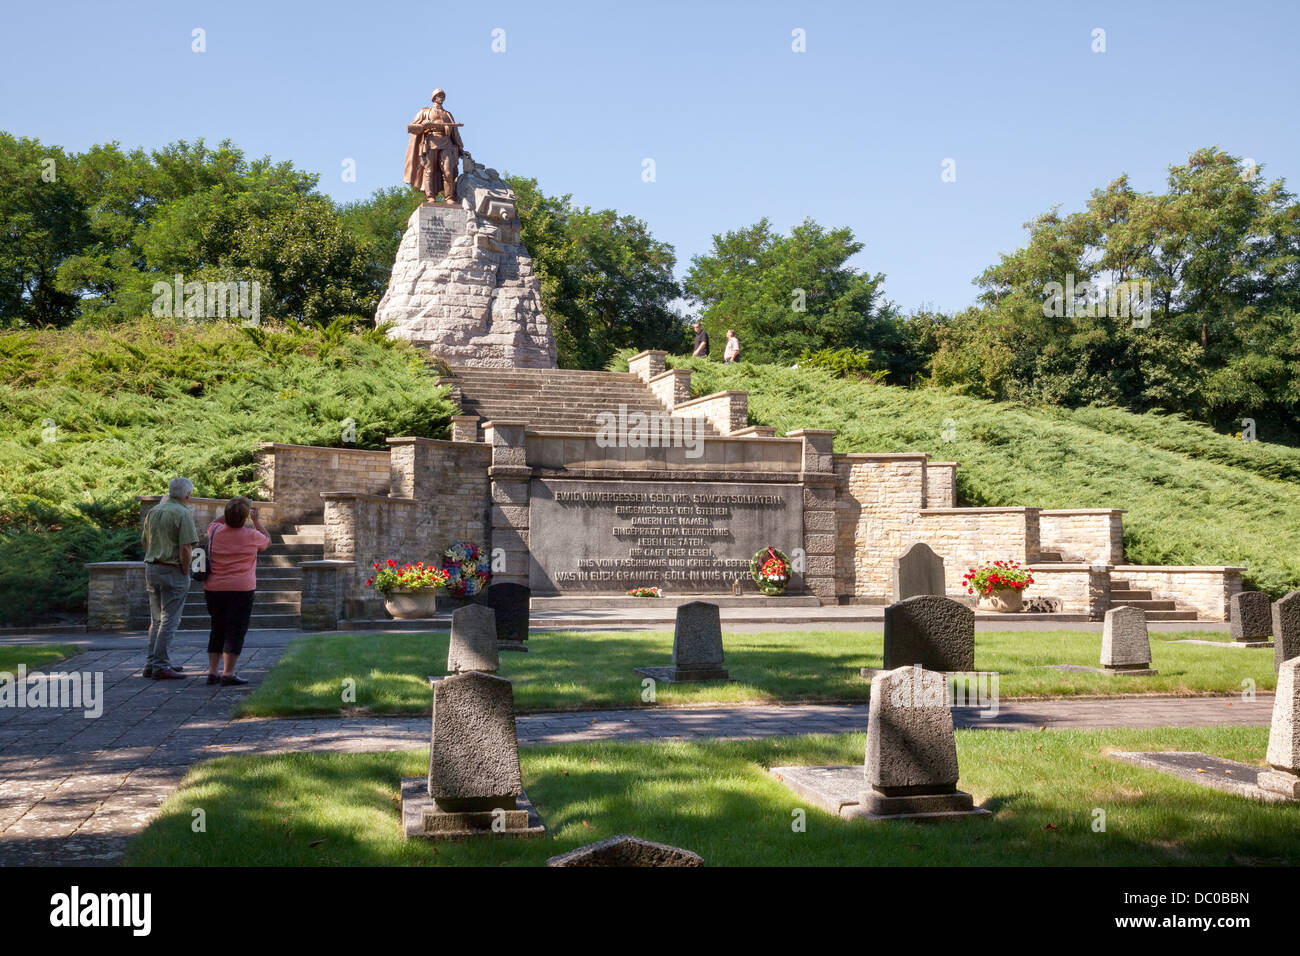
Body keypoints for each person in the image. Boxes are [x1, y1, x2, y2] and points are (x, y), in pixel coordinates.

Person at [203, 497, 270, 686]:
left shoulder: (215, 531)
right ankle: (228, 673)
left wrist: (231, 512)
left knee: (217, 628)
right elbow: (267, 542)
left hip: (214, 587)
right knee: (235, 630)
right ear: (245, 517)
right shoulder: (252, 535)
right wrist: (256, 521)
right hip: (241, 588)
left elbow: (214, 523)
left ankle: (212, 671)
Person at [142, 477, 198, 680]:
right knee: (169, 620)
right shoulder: (183, 513)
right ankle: (161, 665)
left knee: (156, 619)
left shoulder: (154, 511)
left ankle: (151, 663)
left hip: (152, 568)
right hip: (172, 569)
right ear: (188, 494)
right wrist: (185, 570)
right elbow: (186, 547)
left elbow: (145, 541)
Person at [403, 88, 471, 203]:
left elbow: (455, 134)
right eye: (439, 95)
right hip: (431, 143)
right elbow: (413, 127)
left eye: (443, 96)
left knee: (448, 172)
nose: (441, 98)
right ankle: (430, 197)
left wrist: (460, 148)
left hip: (446, 144)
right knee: (429, 171)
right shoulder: (425, 112)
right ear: (434, 98)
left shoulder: (448, 114)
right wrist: (424, 125)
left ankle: (449, 197)